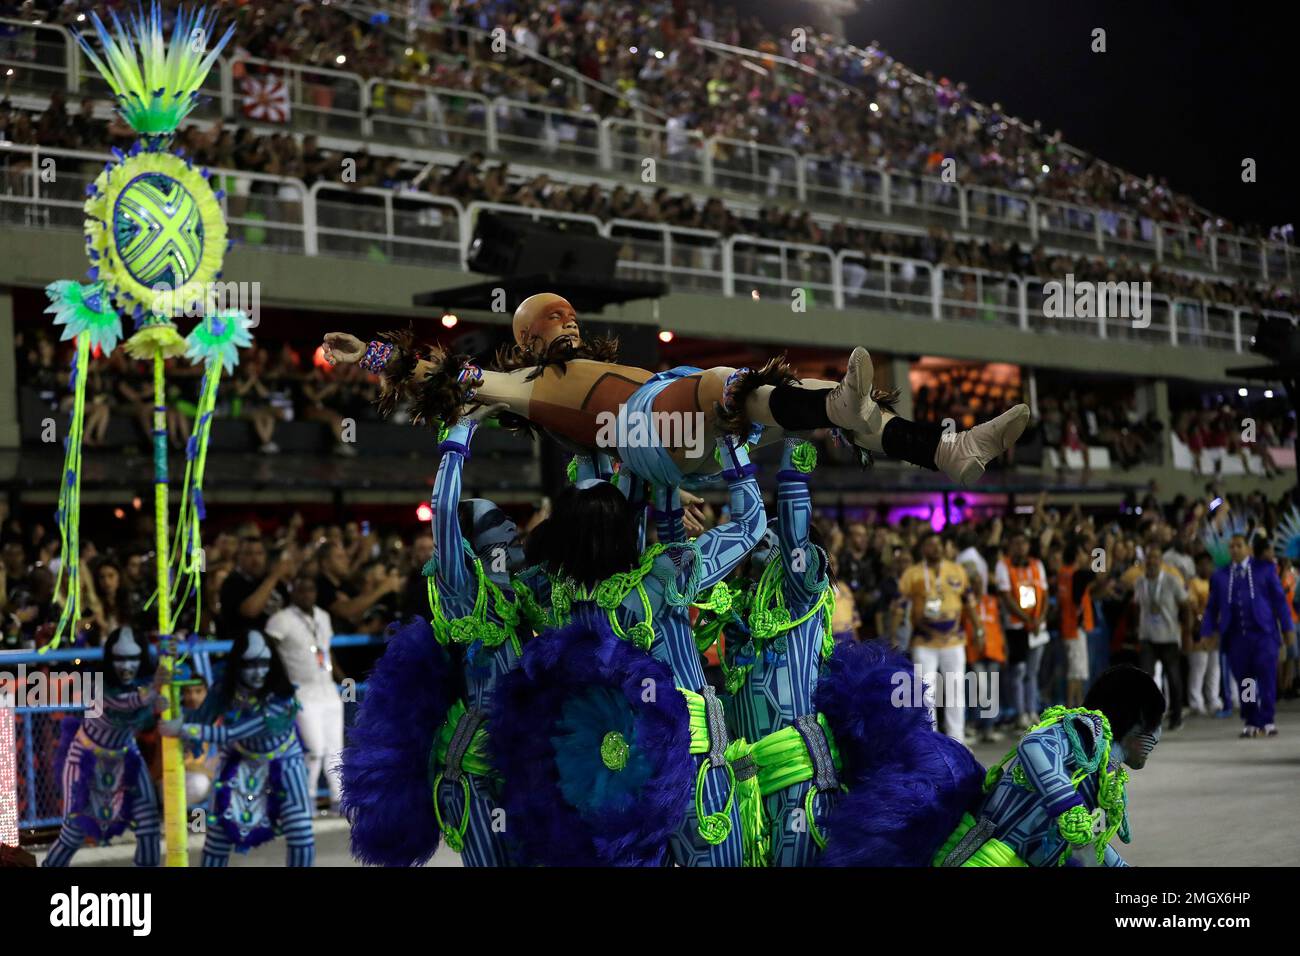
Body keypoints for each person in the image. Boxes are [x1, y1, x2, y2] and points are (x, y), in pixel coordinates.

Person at [322, 292, 1030, 489]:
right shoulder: (518, 383)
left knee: (784, 387)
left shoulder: (600, 365)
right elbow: (442, 375)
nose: (565, 320)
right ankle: (828, 412)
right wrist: (372, 355)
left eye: (567, 311)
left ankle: (946, 447)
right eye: (550, 318)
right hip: (645, 430)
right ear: (531, 339)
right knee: (729, 385)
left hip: (674, 422)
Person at [931, 666, 1166, 867]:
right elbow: (1034, 746)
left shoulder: (1106, 778)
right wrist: (1069, 809)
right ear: (1140, 719)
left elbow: (1089, 844)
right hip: (981, 857)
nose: (1158, 735)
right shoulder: (1075, 731)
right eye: (1158, 722)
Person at [160, 629, 315, 866]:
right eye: (249, 664)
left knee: (300, 831)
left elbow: (231, 732)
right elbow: (200, 718)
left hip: (284, 762)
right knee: (217, 837)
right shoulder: (225, 688)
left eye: (263, 663)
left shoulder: (281, 697)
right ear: (237, 664)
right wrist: (167, 668)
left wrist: (182, 729)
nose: (257, 671)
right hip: (239, 761)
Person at [43, 627, 166, 867]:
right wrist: (152, 696)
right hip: (86, 760)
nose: (127, 666)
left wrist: (169, 656)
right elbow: (122, 710)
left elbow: (145, 718)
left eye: (133, 658)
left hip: (126, 758)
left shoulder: (144, 683)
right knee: (74, 831)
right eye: (120, 658)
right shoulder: (98, 683)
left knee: (149, 824)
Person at [1200, 534, 1297, 738]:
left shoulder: (1266, 570)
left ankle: (1268, 719)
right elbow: (1211, 608)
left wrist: (1288, 630)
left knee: (1266, 676)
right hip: (1237, 638)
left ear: (1248, 549)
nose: (1234, 549)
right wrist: (1207, 632)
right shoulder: (1220, 576)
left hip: (1264, 635)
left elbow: (1280, 602)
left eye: (1239, 545)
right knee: (1246, 681)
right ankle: (1252, 720)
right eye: (1232, 546)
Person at [265, 573, 345, 813]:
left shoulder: (323, 616)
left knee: (335, 749)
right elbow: (269, 652)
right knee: (314, 749)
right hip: (302, 692)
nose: (306, 595)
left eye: (310, 590)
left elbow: (326, 650)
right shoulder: (280, 620)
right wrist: (279, 685)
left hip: (327, 689)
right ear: (292, 592)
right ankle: (305, 799)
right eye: (301, 590)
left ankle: (338, 799)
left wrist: (341, 677)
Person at [900, 532, 974, 741]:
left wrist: (978, 629)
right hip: (924, 641)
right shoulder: (912, 574)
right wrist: (895, 636)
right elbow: (900, 606)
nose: (935, 548)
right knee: (925, 692)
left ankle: (957, 739)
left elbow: (969, 600)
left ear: (945, 547)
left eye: (938, 544)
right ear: (923, 549)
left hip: (954, 640)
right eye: (930, 545)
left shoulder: (956, 570)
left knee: (956, 689)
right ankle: (928, 740)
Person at [1133, 545, 1190, 731]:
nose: (1152, 562)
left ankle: (1176, 716)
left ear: (1161, 562)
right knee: (1145, 678)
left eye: (1155, 558)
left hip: (1169, 636)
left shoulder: (1172, 581)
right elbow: (1136, 606)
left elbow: (1185, 605)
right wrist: (1137, 629)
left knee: (1173, 677)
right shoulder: (1139, 582)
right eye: (1149, 559)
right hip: (1147, 636)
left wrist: (1187, 632)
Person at [996, 531, 1049, 728]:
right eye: (1016, 543)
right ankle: (1020, 714)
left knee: (1033, 672)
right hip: (1016, 627)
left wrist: (1039, 618)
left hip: (1036, 627)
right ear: (1010, 546)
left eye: (1023, 543)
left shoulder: (1037, 565)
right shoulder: (1003, 565)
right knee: (1018, 670)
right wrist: (1027, 619)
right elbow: (1006, 597)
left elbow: (1044, 594)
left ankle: (1032, 710)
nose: (1020, 547)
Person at [217, 536, 292, 640]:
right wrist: (274, 576)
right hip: (248, 646)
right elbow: (250, 611)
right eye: (248, 553)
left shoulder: (276, 582)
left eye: (259, 553)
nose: (255, 559)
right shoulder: (232, 583)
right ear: (239, 557)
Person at [964, 563, 1005, 744]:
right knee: (980, 689)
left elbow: (998, 625)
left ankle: (988, 728)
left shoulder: (992, 601)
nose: (979, 585)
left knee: (992, 690)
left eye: (981, 582)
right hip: (975, 651)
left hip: (994, 650)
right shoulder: (967, 605)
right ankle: (974, 725)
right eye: (975, 582)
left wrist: (1004, 646)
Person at [1185, 553, 1223, 716]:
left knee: (1214, 666)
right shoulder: (1193, 583)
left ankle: (1213, 699)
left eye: (1209, 564)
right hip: (1199, 630)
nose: (1206, 567)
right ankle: (1196, 702)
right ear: (1197, 566)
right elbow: (1192, 606)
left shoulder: (1217, 583)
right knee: (1199, 667)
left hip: (1216, 630)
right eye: (1203, 564)